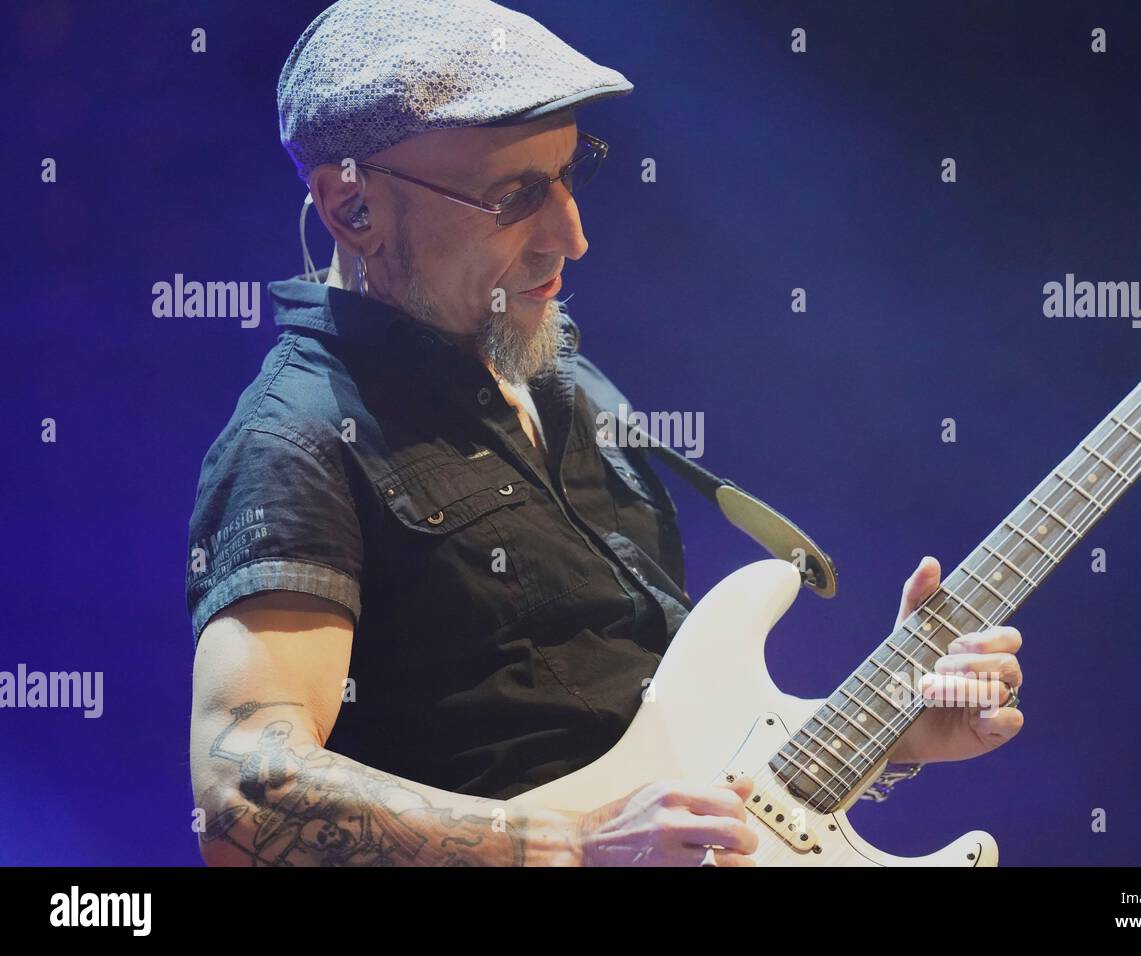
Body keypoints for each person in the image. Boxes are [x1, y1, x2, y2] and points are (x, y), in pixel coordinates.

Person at [187, 0, 1024, 867]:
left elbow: (662, 751)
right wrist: (569, 844)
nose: (573, 236)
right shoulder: (298, 439)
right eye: (514, 197)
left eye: (568, 175)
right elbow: (242, 790)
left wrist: (886, 730)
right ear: (353, 208)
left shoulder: (567, 384)